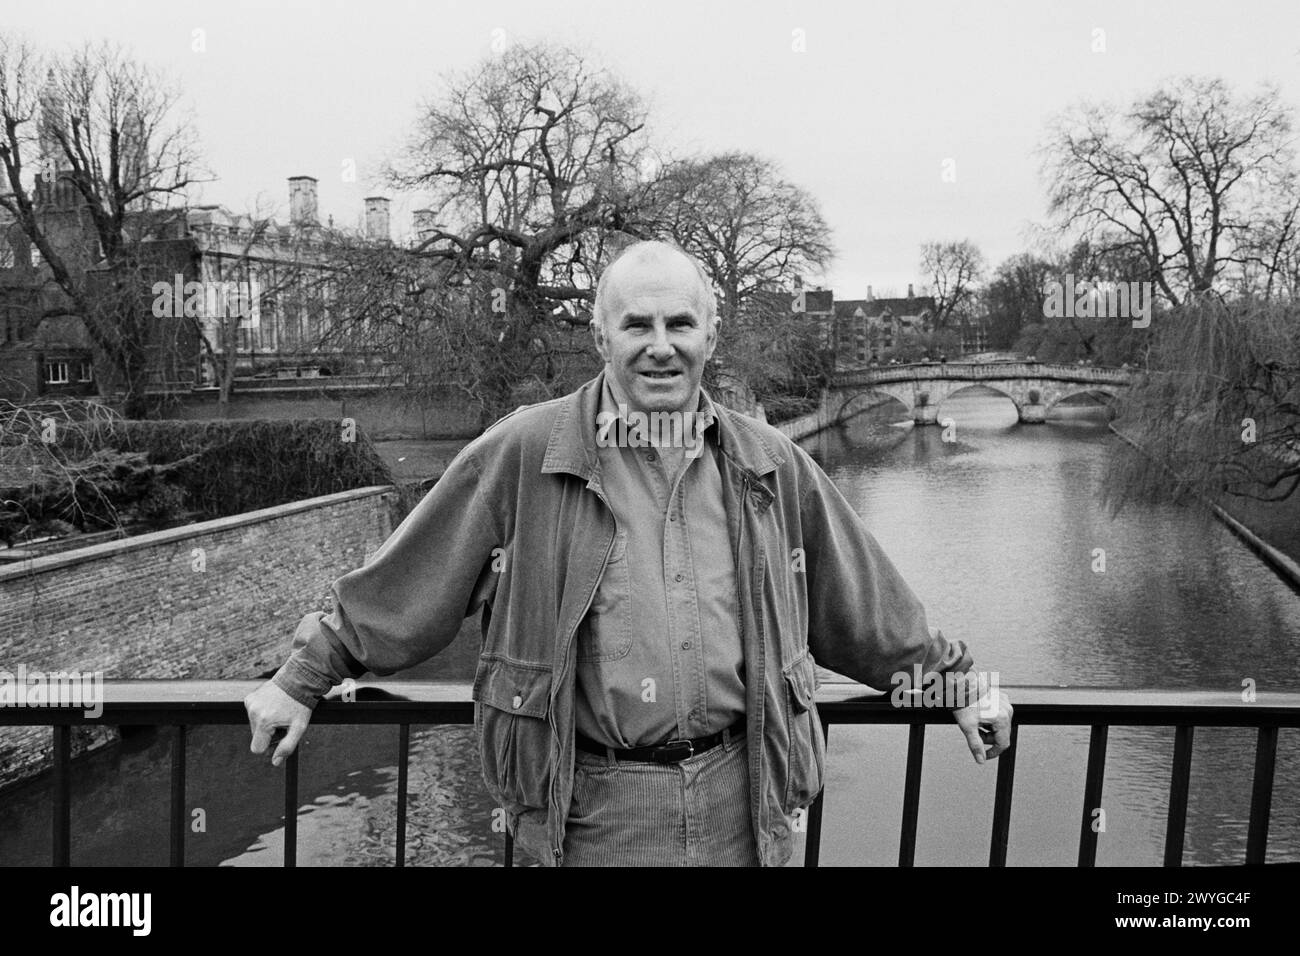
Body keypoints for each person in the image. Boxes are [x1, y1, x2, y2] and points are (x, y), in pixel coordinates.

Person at [243, 240, 1013, 867]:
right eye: (636, 326)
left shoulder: (770, 464)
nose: (660, 347)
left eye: (680, 325)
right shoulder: (526, 451)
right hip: (594, 815)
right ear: (601, 336)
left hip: (747, 803)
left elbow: (859, 604)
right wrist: (305, 676)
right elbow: (411, 583)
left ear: (710, 335)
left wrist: (953, 684)